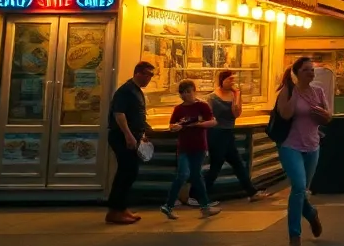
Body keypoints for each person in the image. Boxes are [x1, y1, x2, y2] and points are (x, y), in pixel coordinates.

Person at [274, 56, 331, 246]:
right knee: (298, 187)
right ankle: (294, 235)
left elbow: (328, 116)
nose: (311, 73)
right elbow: (286, 114)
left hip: (312, 146)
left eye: (312, 70)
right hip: (291, 146)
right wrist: (294, 92)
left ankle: (311, 213)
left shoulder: (318, 92)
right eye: (306, 70)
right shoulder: (287, 91)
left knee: (302, 190)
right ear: (297, 72)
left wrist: (323, 115)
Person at [160, 79, 221, 219]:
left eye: (188, 92)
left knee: (196, 176)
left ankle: (204, 207)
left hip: (199, 146)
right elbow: (171, 125)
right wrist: (174, 127)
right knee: (183, 174)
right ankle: (169, 205)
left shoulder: (202, 106)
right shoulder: (178, 109)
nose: (186, 95)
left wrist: (198, 125)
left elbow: (213, 121)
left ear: (194, 91)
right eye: (182, 93)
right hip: (183, 147)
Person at [205, 70, 269, 202]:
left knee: (237, 164)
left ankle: (252, 192)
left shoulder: (234, 95)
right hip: (216, 133)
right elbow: (208, 114)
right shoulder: (212, 97)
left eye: (233, 80)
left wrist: (237, 94)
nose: (231, 82)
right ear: (222, 80)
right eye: (229, 79)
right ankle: (198, 194)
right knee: (216, 165)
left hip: (228, 133)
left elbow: (236, 114)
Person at [106, 61, 155, 224]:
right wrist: (128, 135)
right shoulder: (126, 90)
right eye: (148, 74)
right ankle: (115, 211)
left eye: (152, 75)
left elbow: (136, 114)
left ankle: (122, 207)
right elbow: (119, 114)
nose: (150, 78)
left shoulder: (137, 91)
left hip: (133, 137)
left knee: (130, 172)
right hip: (122, 138)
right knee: (126, 172)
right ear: (138, 73)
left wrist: (142, 132)